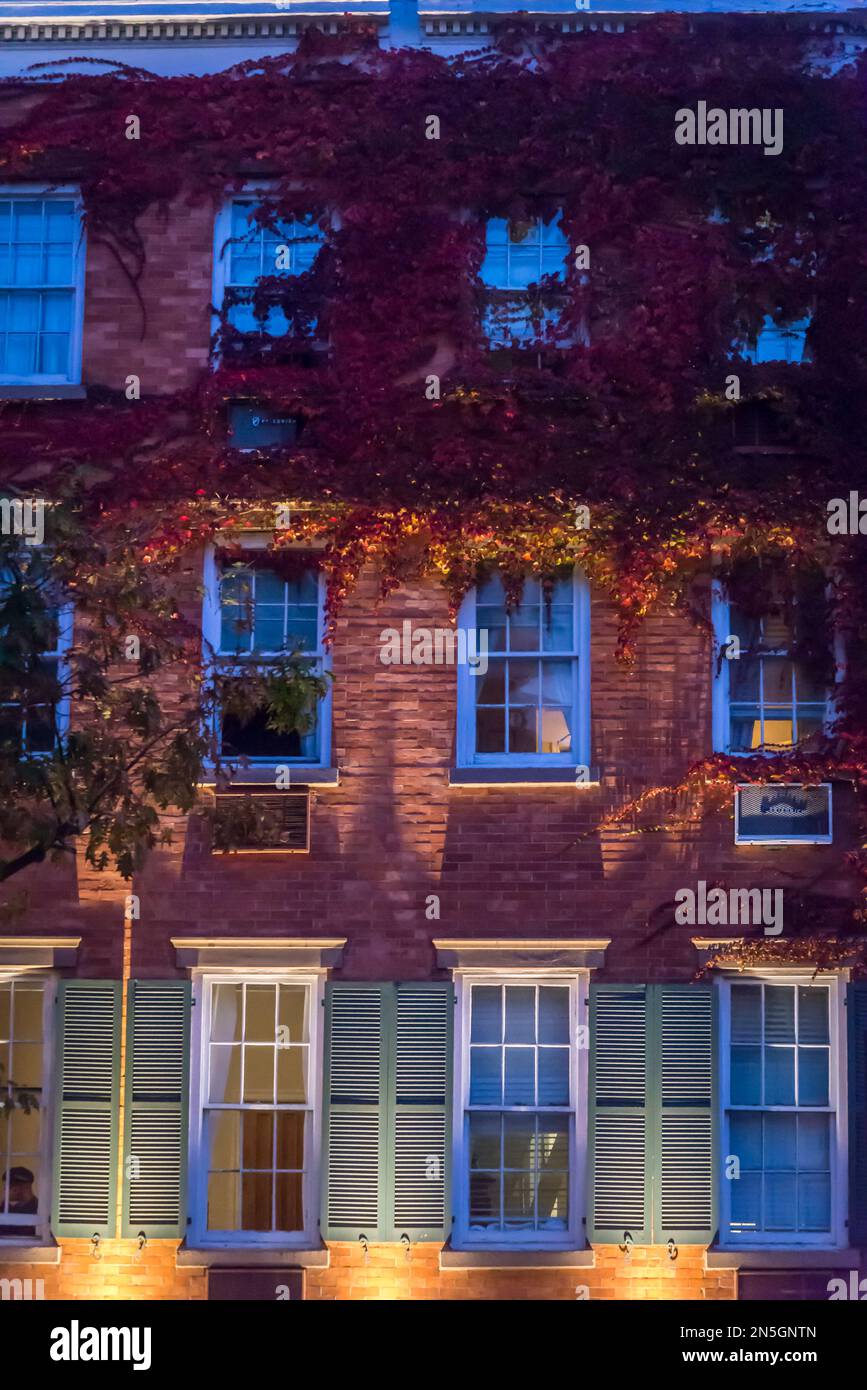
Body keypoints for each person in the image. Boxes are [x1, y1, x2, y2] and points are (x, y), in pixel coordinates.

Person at [0, 1166, 38, 1235]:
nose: (4, 1190)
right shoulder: (7, 1206)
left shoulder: (38, 1211)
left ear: (16, 1189)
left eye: (6, 1187)